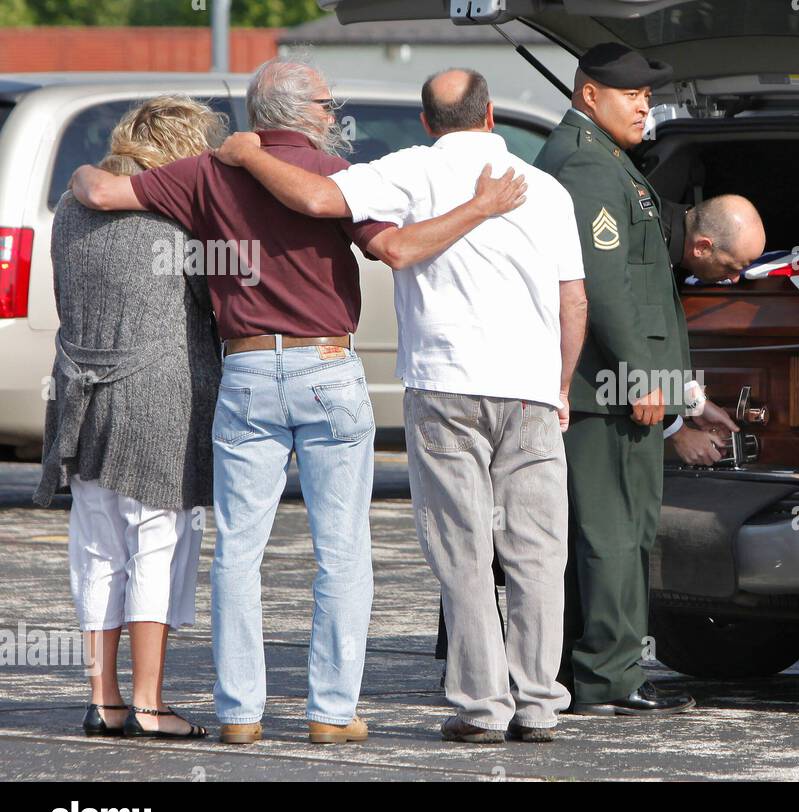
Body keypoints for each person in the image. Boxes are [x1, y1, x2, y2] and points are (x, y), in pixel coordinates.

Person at [70, 60, 526, 745]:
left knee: (239, 553)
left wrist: (79, 176)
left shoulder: (206, 173)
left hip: (246, 370)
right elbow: (397, 249)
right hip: (327, 368)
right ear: (302, 112)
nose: (332, 106)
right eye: (324, 99)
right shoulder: (338, 175)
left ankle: (240, 713)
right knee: (341, 552)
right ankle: (330, 711)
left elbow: (100, 192)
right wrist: (479, 208)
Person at [215, 68, 584, 744]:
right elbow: (574, 300)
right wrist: (560, 385)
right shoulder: (550, 191)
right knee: (536, 552)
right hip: (530, 390)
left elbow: (321, 198)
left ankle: (481, 706)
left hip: (444, 383)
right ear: (492, 113)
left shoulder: (409, 171)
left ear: (425, 121)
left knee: (462, 551)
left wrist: (248, 154)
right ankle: (537, 703)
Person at [534, 43, 734, 715]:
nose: (645, 104)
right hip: (607, 389)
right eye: (631, 95)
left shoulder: (602, 158)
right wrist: (641, 377)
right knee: (615, 532)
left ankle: (568, 669)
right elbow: (606, 287)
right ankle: (610, 678)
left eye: (649, 95)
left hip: (610, 385)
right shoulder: (589, 166)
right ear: (590, 95)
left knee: (597, 531)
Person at [37, 96, 225, 739]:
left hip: (80, 393)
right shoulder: (180, 219)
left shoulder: (71, 208)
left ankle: (104, 698)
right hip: (158, 396)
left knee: (95, 548)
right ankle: (150, 704)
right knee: (157, 543)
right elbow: (213, 303)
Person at [660, 195, 762, 465]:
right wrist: (677, 432)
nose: (735, 279)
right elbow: (629, 339)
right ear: (702, 247)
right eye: (731, 266)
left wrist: (692, 402)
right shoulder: (650, 242)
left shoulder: (670, 243)